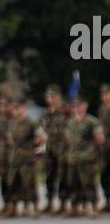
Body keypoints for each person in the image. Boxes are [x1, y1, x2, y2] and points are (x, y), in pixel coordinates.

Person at [65, 97, 104, 217]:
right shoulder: (71, 122)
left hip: (87, 157)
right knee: (73, 182)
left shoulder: (92, 121)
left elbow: (100, 139)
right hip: (74, 156)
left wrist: (92, 151)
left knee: (88, 183)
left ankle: (94, 206)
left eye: (79, 105)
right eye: (75, 106)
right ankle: (75, 207)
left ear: (85, 106)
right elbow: (68, 138)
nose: (76, 108)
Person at [39, 85, 67, 215]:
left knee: (62, 176)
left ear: (59, 97)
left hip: (62, 149)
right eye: (48, 97)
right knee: (49, 175)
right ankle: (49, 201)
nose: (50, 99)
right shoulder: (46, 114)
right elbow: (41, 129)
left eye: (53, 97)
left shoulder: (65, 112)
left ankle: (63, 203)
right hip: (49, 148)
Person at [98, 84, 110, 212]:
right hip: (105, 147)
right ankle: (107, 200)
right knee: (104, 174)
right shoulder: (102, 109)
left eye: (107, 94)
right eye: (103, 95)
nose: (105, 97)